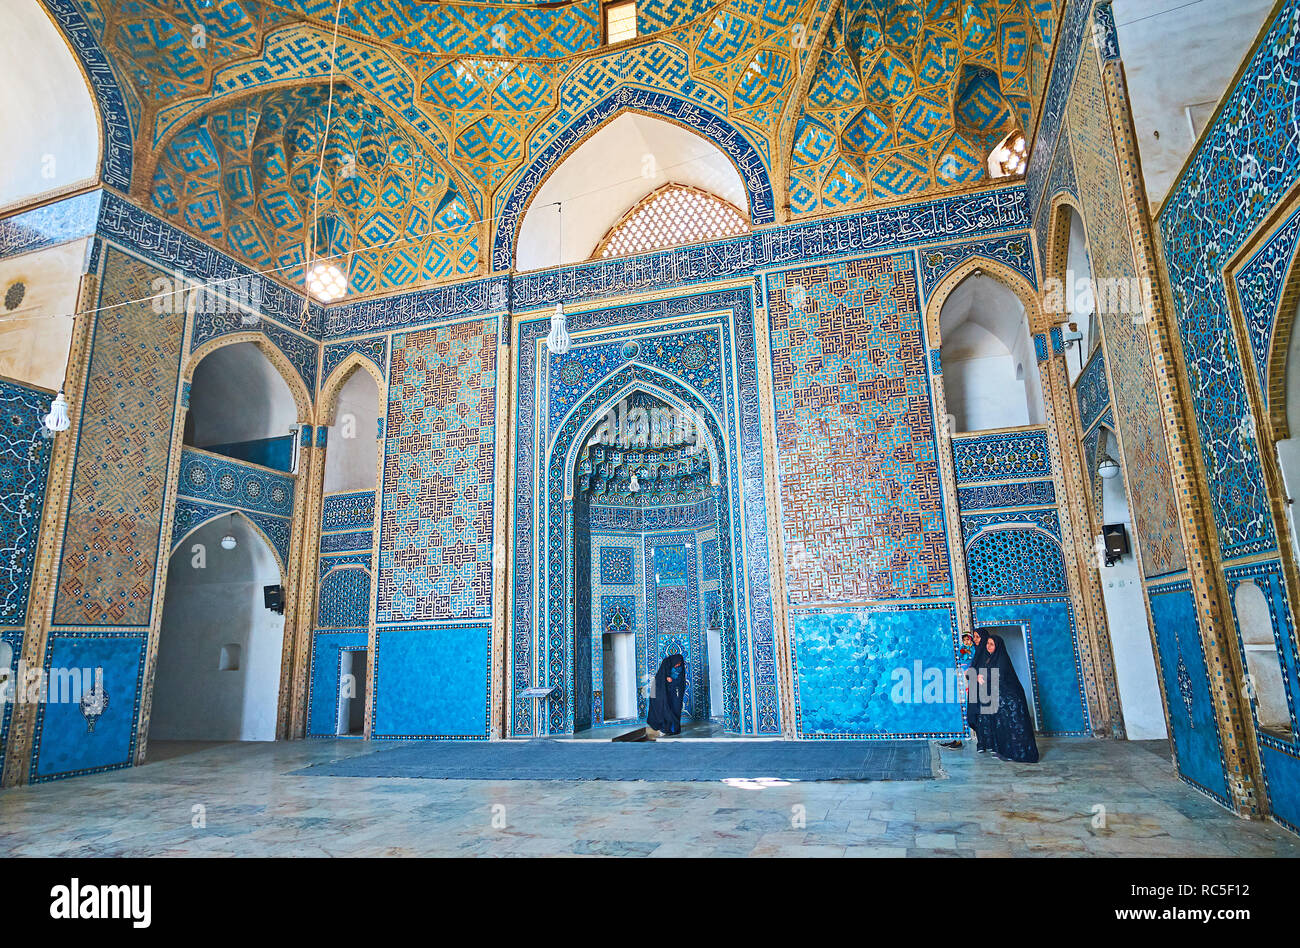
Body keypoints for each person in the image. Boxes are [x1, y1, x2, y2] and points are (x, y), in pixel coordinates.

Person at [982, 634, 1039, 763]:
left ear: (998, 646)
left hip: (1011, 699)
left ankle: (1021, 755)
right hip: (1001, 698)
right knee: (1003, 726)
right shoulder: (991, 658)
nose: (988, 646)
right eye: (988, 643)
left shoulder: (1002, 658)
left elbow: (999, 675)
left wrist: (983, 677)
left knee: (1014, 727)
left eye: (992, 644)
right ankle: (1006, 753)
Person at [941, 628, 986, 750]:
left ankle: (974, 738)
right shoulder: (963, 649)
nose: (967, 641)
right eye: (965, 640)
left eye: (968, 639)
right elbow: (960, 655)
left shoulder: (975, 649)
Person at [645, 654, 687, 739]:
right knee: (665, 710)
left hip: (674, 694)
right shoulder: (661, 676)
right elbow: (656, 691)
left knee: (675, 709)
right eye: (677, 663)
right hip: (664, 696)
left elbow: (681, 682)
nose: (678, 665)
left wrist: (674, 682)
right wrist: (667, 678)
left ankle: (674, 729)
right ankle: (665, 729)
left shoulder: (679, 669)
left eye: (680, 663)